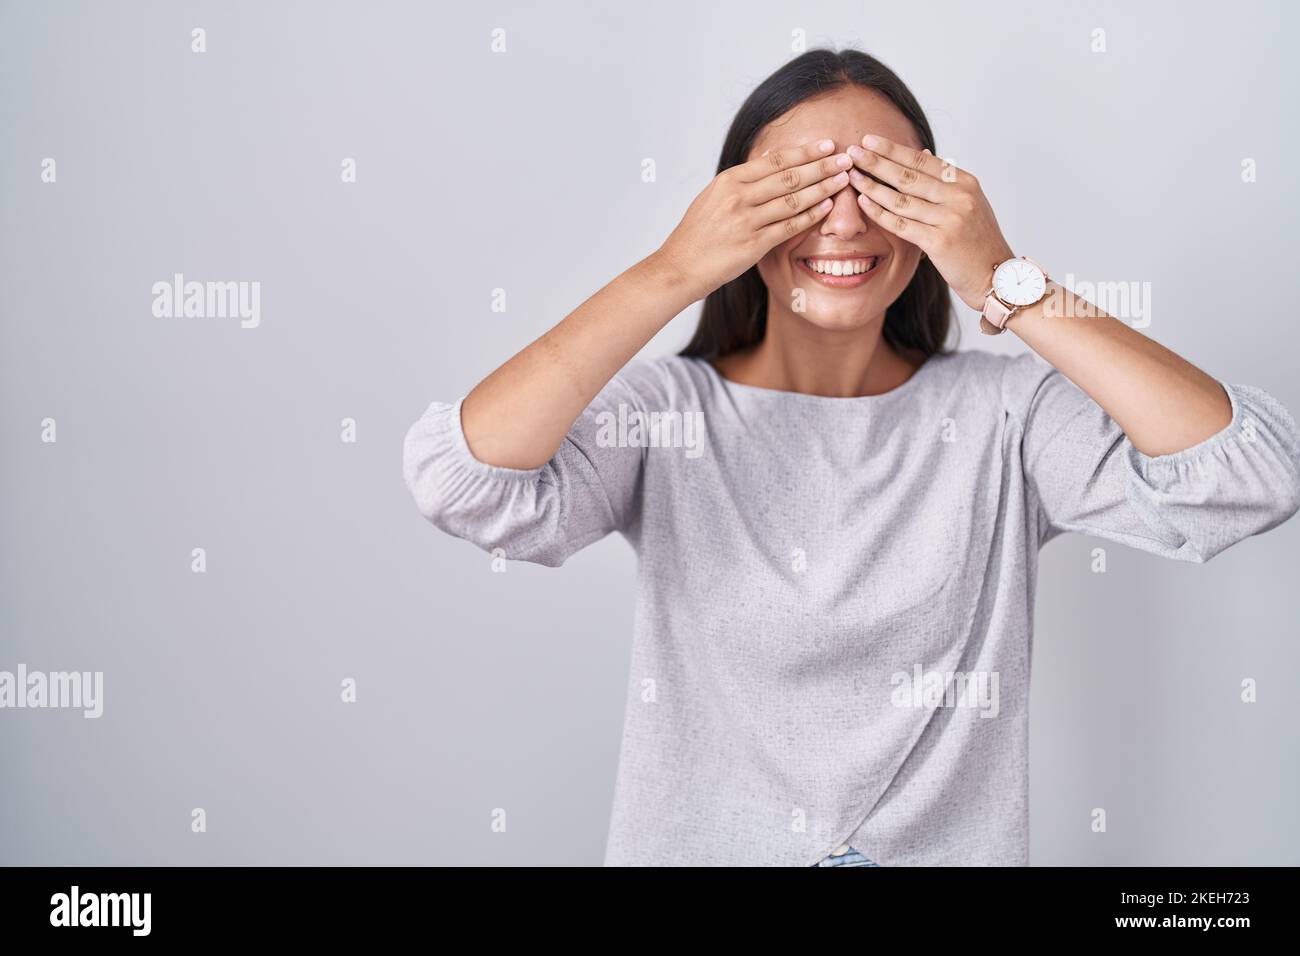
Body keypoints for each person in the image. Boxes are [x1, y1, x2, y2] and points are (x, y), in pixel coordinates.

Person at [402, 49, 1300, 866]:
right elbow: (465, 483)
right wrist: (674, 271)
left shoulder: (1004, 414)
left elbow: (1247, 477)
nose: (842, 224)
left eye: (882, 184)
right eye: (795, 189)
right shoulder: (669, 413)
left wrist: (1005, 281)